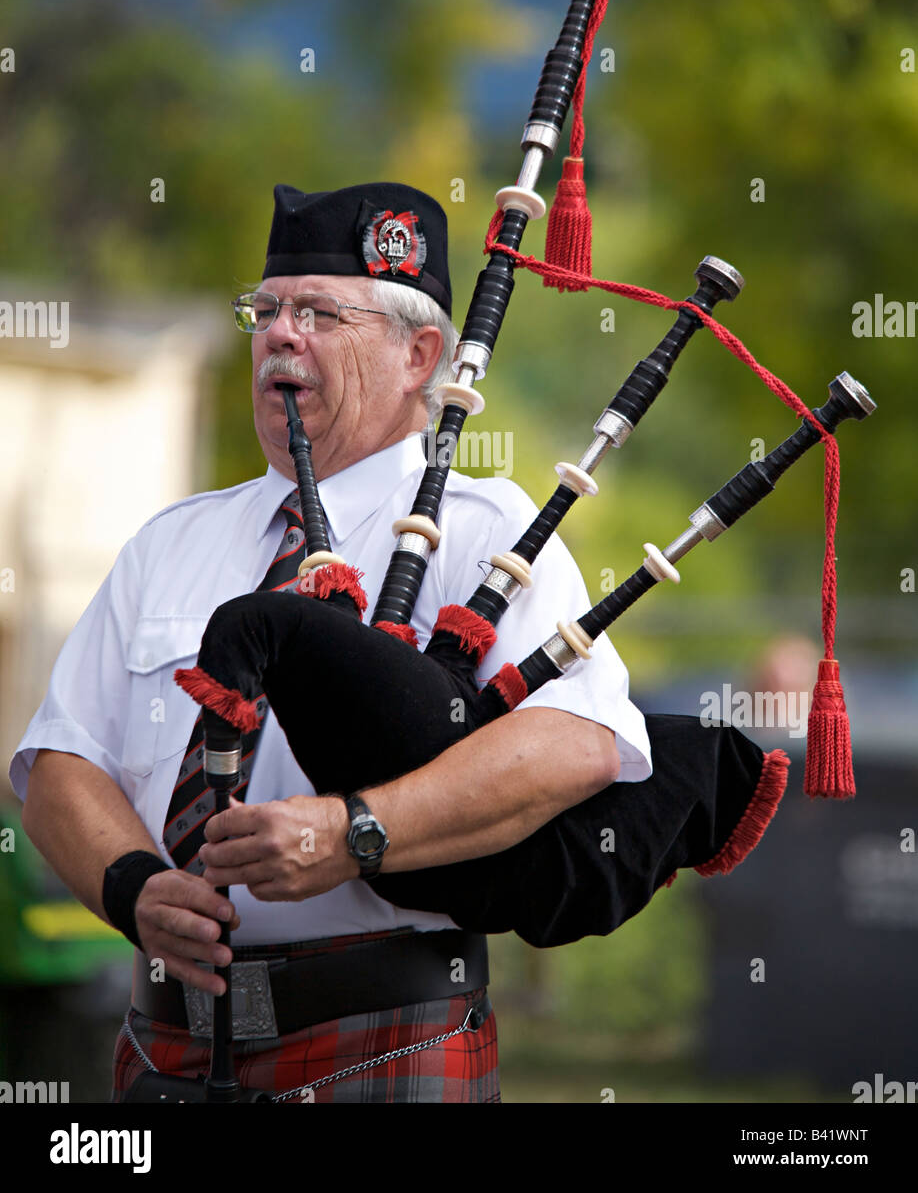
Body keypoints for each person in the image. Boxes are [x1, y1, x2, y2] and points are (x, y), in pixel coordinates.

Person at [10, 181, 651, 1104]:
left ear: (418, 355)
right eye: (265, 310)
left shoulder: (488, 532)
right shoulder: (173, 541)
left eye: (318, 312)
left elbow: (577, 740)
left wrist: (355, 835)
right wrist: (135, 887)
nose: (279, 334)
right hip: (169, 1044)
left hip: (385, 1039)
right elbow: (64, 757)